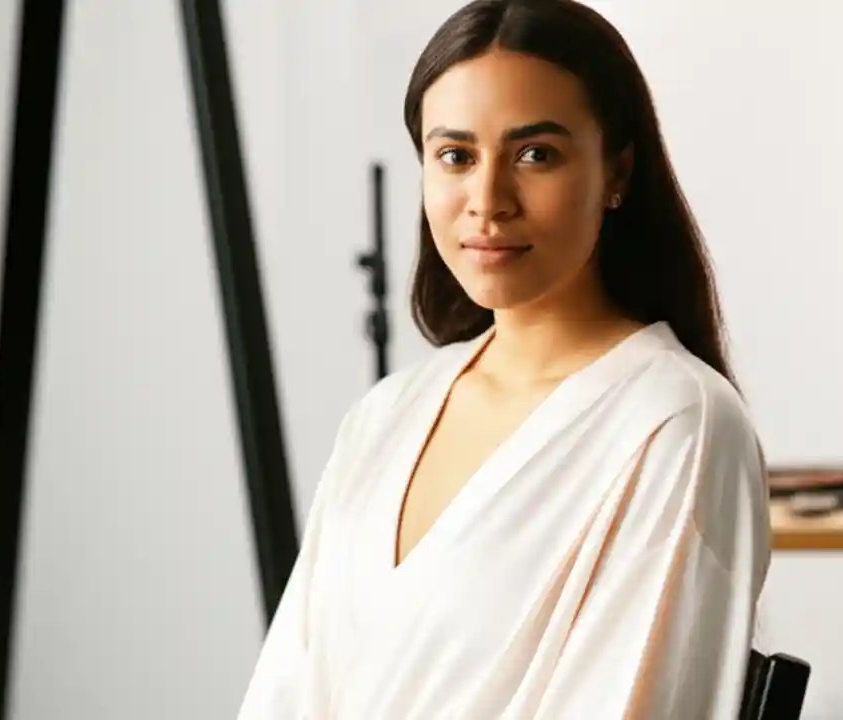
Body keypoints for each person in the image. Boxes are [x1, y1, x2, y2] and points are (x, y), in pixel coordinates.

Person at [237, 0, 771, 717]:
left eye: (535, 155)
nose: (487, 201)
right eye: (455, 156)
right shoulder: (386, 416)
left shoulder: (675, 425)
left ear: (617, 171)